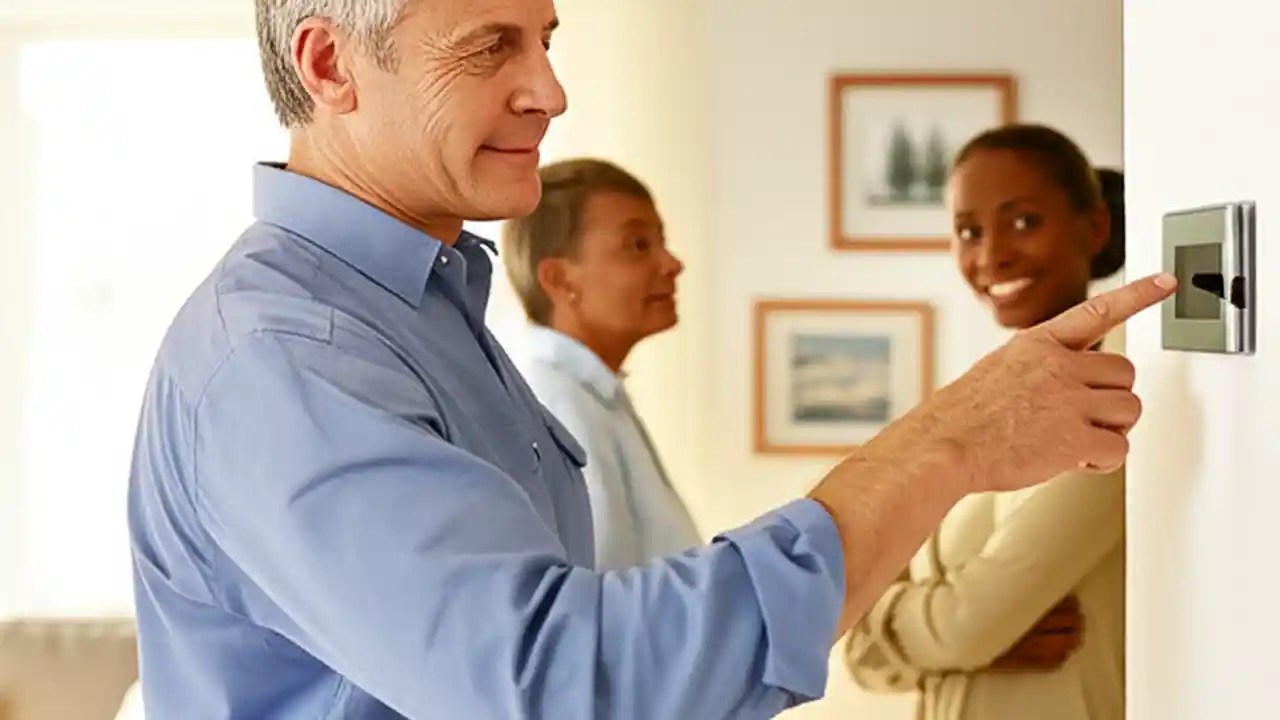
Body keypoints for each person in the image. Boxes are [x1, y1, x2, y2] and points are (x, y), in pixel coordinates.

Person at [125, 1, 1173, 716]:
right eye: (490, 46)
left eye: (545, 36)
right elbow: (561, 681)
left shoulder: (427, 307)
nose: (549, 89)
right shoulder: (287, 358)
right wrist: (943, 443)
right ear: (327, 65)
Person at [843, 125, 1129, 720]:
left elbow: (966, 628)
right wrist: (962, 640)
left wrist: (925, 630)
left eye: (1023, 222)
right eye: (969, 231)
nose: (992, 254)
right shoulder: (985, 405)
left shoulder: (1116, 395)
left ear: (1093, 228)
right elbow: (855, 652)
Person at [499, 158, 701, 571]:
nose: (672, 264)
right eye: (638, 245)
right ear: (559, 280)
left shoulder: (594, 395)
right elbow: (595, 595)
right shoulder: (556, 404)